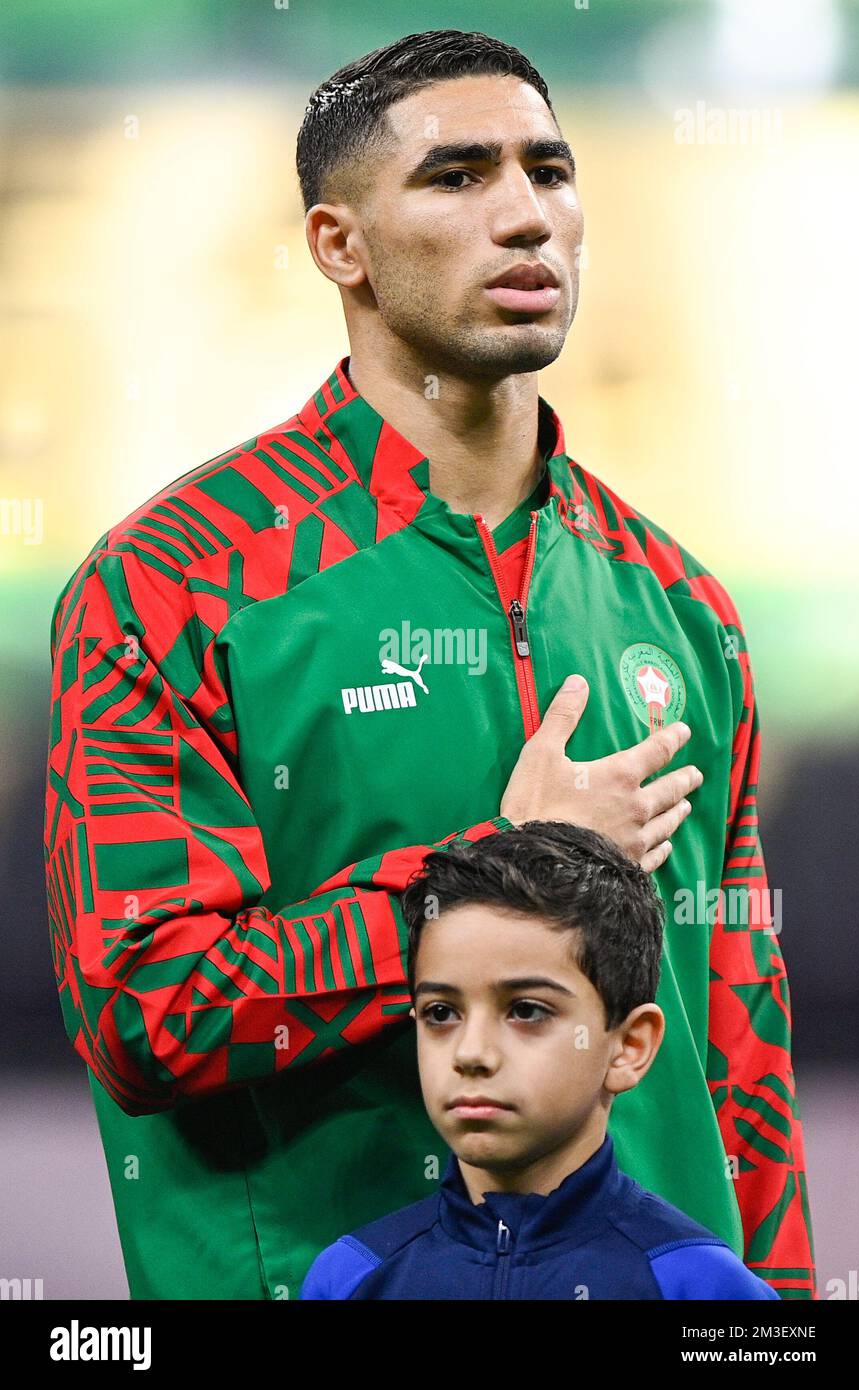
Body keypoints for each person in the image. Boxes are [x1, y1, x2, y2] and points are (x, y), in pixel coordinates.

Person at [43, 28, 815, 1299]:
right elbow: (147, 1007)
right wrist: (486, 876)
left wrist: (773, 1317)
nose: (524, 215)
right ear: (337, 244)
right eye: (457, 176)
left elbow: (739, 1032)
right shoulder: (172, 586)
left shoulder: (679, 602)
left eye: (549, 171)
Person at [301, 822, 781, 1299]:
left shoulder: (699, 1285)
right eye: (441, 1013)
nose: (471, 1053)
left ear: (629, 1046)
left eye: (526, 1011)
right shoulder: (349, 1278)